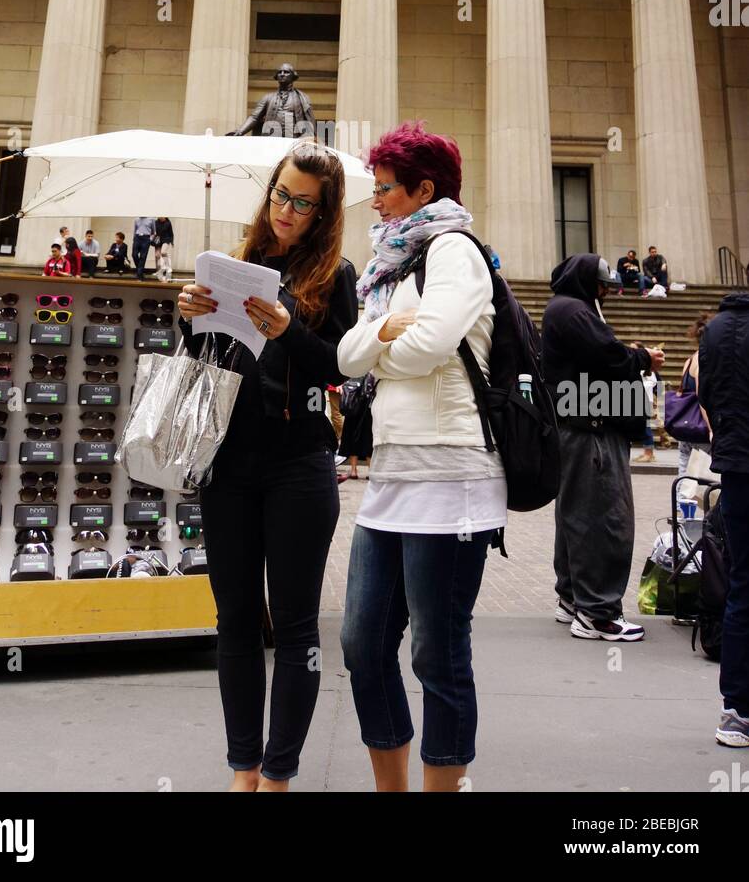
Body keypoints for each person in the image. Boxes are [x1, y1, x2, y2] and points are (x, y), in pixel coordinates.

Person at [177, 139, 357, 791]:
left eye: (302, 203)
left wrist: (290, 331)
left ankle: (279, 774)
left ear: (323, 212)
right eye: (281, 194)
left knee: (297, 624)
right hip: (228, 462)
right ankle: (243, 769)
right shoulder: (238, 263)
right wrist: (189, 318)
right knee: (235, 620)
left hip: (300, 466)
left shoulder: (337, 278)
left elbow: (340, 369)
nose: (286, 210)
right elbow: (205, 362)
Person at [337, 122, 503, 794]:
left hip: (452, 477)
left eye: (384, 189)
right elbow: (345, 359)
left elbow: (428, 346)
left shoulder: (455, 251)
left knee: (437, 651)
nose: (374, 201)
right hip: (393, 476)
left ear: (422, 189)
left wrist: (376, 347)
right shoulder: (387, 269)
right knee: (361, 643)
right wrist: (379, 335)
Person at [543, 254, 665, 642]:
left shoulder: (565, 308)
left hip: (580, 425)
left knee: (576, 516)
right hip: (591, 427)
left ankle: (573, 599)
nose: (606, 293)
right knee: (604, 519)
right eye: (603, 286)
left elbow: (598, 355)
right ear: (588, 282)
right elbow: (609, 357)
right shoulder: (574, 311)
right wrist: (644, 357)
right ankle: (597, 613)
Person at [698, 290, 749, 748]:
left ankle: (736, 711)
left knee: (742, 584)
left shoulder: (714, 329)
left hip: (736, 467)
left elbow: (706, 395)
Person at [676, 314, 715, 488]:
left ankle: (680, 512)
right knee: (705, 481)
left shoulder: (690, 359)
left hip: (686, 428)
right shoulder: (703, 360)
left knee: (684, 475)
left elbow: (681, 392)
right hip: (701, 429)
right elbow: (702, 397)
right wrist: (712, 428)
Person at [132, 216, 156, 281]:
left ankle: (139, 276)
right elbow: (134, 229)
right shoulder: (136, 219)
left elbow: (154, 232)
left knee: (143, 257)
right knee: (134, 255)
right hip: (137, 237)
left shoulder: (152, 219)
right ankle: (140, 271)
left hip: (146, 238)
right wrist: (134, 239)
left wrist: (150, 240)